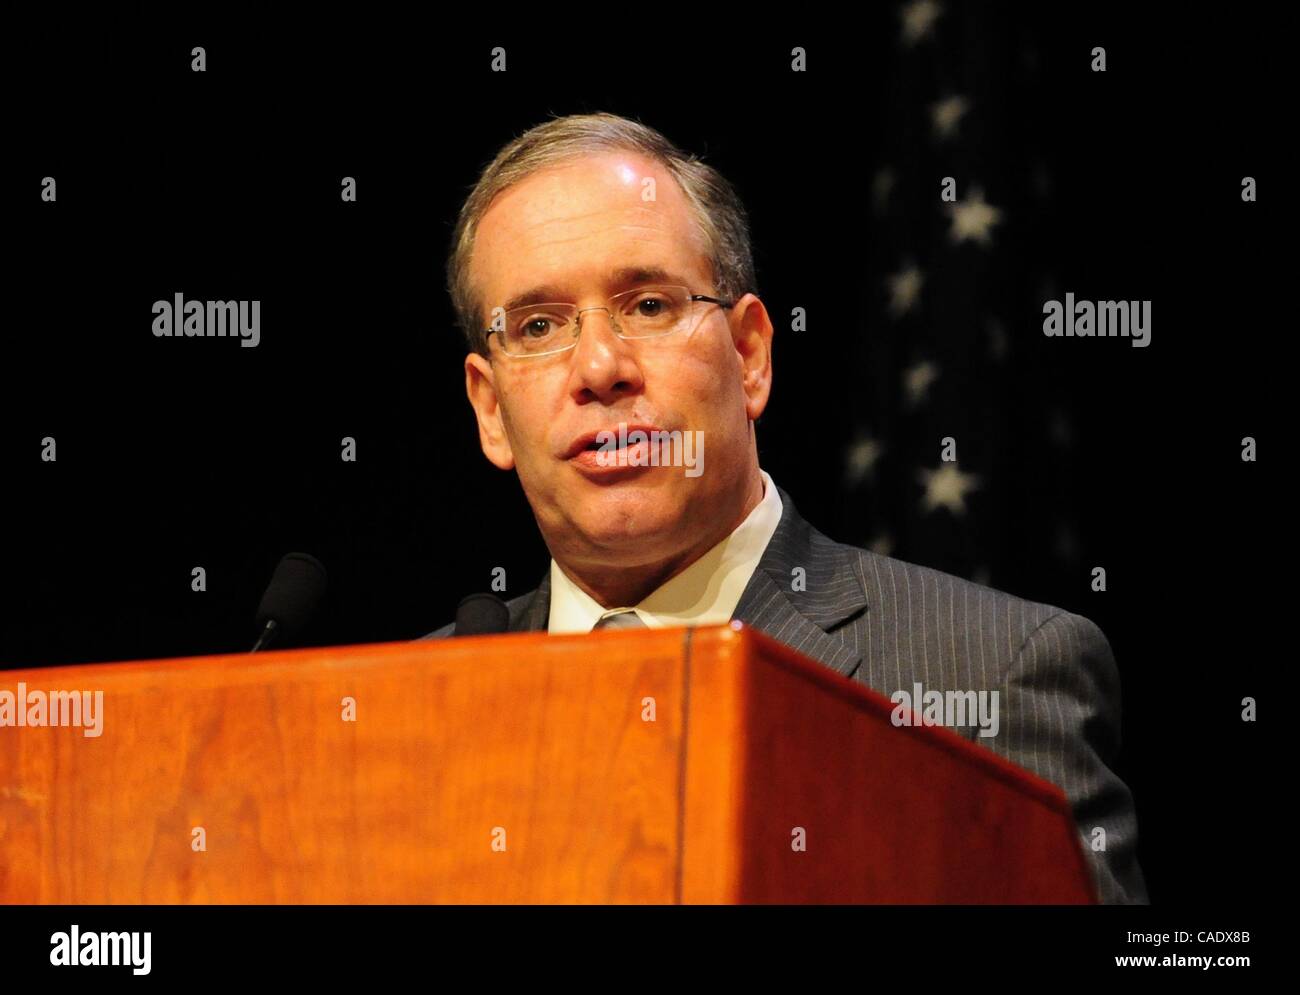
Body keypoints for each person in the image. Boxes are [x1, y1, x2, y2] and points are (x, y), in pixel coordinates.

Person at [423, 111, 1147, 904]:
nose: (600, 366)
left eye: (650, 305)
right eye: (538, 325)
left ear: (750, 355)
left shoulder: (987, 676)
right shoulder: (409, 719)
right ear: (490, 409)